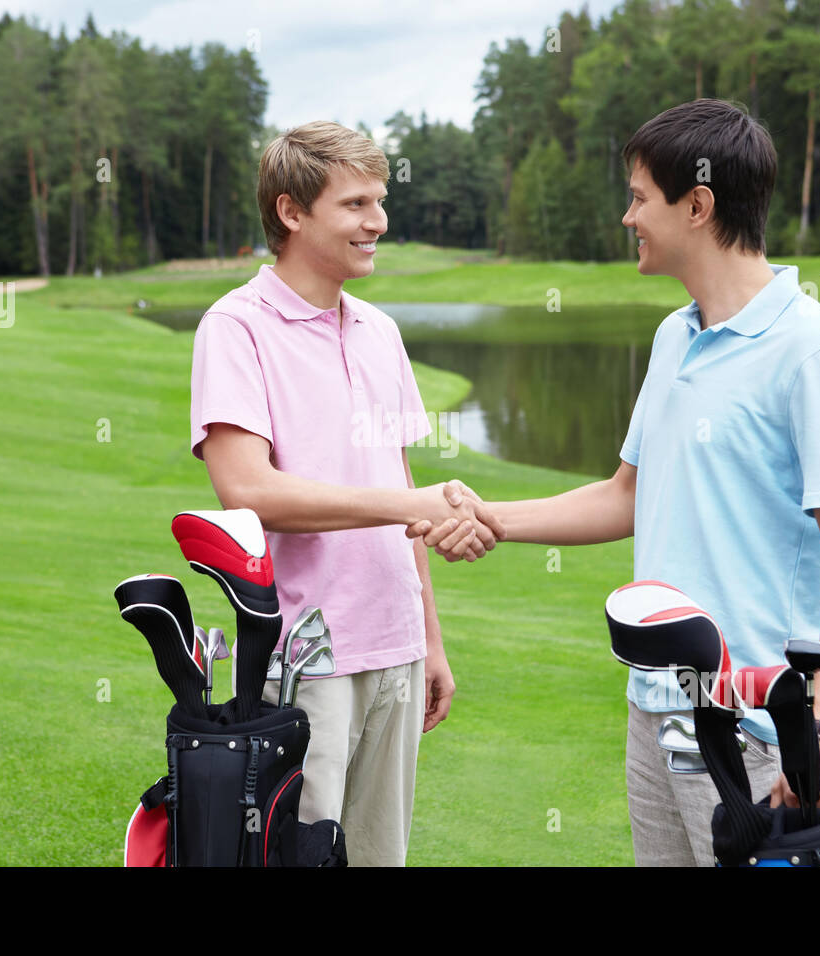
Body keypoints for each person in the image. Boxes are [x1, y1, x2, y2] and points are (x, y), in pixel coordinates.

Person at [410, 99, 820, 866]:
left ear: (697, 205)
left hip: (761, 730)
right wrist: (489, 515)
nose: (628, 215)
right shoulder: (675, 335)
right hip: (655, 712)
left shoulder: (811, 352)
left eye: (639, 197)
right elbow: (626, 495)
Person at [189, 121, 502, 867]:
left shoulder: (381, 332)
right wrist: (409, 506)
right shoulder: (235, 328)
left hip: (392, 647)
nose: (379, 223)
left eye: (380, 201)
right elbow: (248, 489)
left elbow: (397, 485)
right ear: (292, 212)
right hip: (303, 658)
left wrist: (428, 638)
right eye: (357, 204)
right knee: (297, 855)